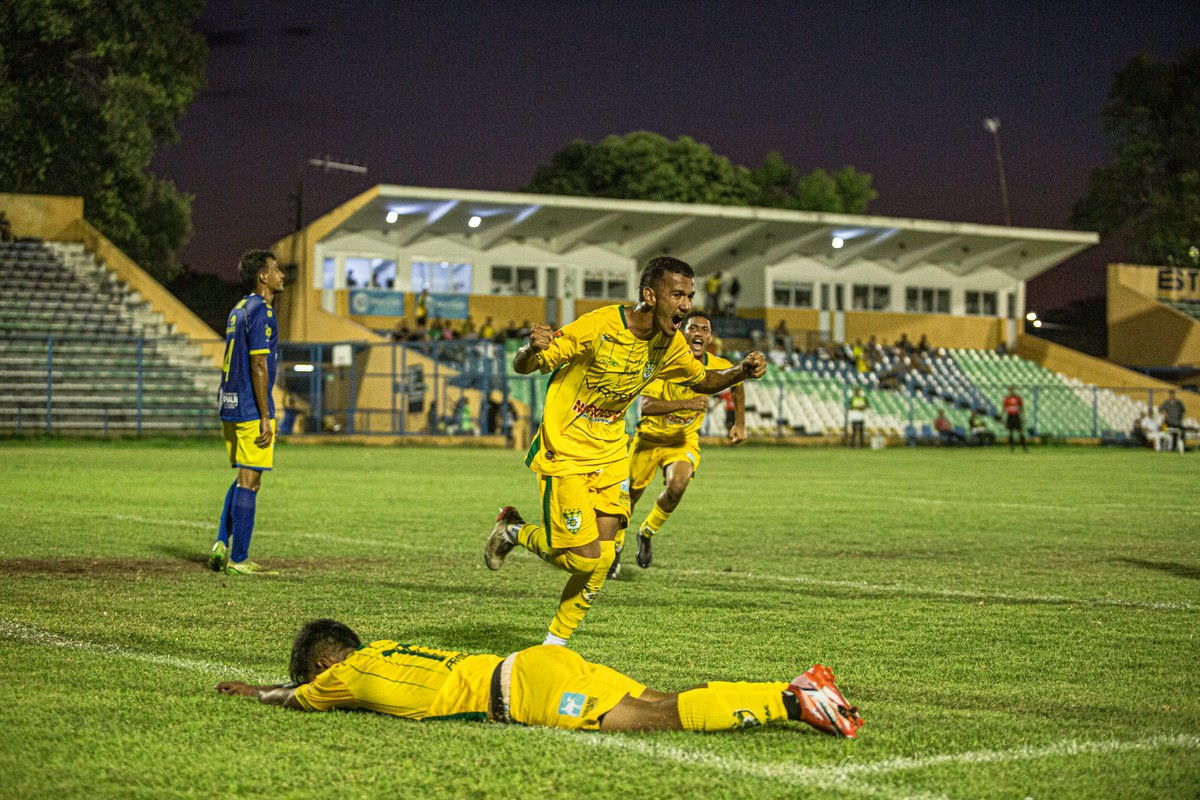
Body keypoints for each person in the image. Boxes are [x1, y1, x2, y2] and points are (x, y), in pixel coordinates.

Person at [484, 257, 767, 646]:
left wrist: (741, 371)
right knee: (580, 559)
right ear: (650, 296)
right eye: (677, 294)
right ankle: (513, 529)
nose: (686, 305)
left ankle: (555, 646)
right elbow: (527, 365)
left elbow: (702, 380)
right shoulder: (599, 326)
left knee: (602, 557)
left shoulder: (668, 344)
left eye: (690, 296)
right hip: (564, 453)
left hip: (612, 456)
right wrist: (529, 350)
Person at [215, 619, 863, 738]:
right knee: (659, 699)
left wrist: (255, 692)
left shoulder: (341, 677)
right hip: (535, 664)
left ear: (325, 663)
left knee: (654, 717)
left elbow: (293, 699)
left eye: (311, 672)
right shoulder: (384, 647)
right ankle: (799, 685)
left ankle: (790, 701)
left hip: (526, 692)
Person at [619, 311, 745, 576]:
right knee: (629, 497)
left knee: (678, 485)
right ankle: (616, 548)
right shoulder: (664, 362)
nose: (698, 333)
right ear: (682, 332)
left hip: (682, 440)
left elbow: (737, 379)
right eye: (693, 327)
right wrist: (687, 403)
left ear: (710, 337)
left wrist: (740, 423)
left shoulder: (715, 364)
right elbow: (647, 406)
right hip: (649, 439)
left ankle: (647, 532)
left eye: (705, 329)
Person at [209, 250, 285, 576]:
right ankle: (239, 559)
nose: (282, 274)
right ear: (263, 277)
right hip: (251, 407)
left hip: (229, 403)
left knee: (243, 476)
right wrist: (266, 415)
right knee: (250, 482)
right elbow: (258, 364)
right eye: (276, 269)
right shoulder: (261, 311)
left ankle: (220, 543)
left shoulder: (238, 309)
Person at [1002, 385, 1027, 452]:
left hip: (1016, 416)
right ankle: (1012, 448)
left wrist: (1023, 417)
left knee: (1020, 431)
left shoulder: (1018, 398)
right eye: (1010, 389)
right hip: (1010, 416)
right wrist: (1002, 417)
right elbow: (1004, 408)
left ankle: (1024, 447)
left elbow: (1021, 407)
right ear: (1009, 390)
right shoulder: (1007, 398)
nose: (1011, 391)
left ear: (1014, 390)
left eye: (1012, 389)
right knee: (1010, 432)